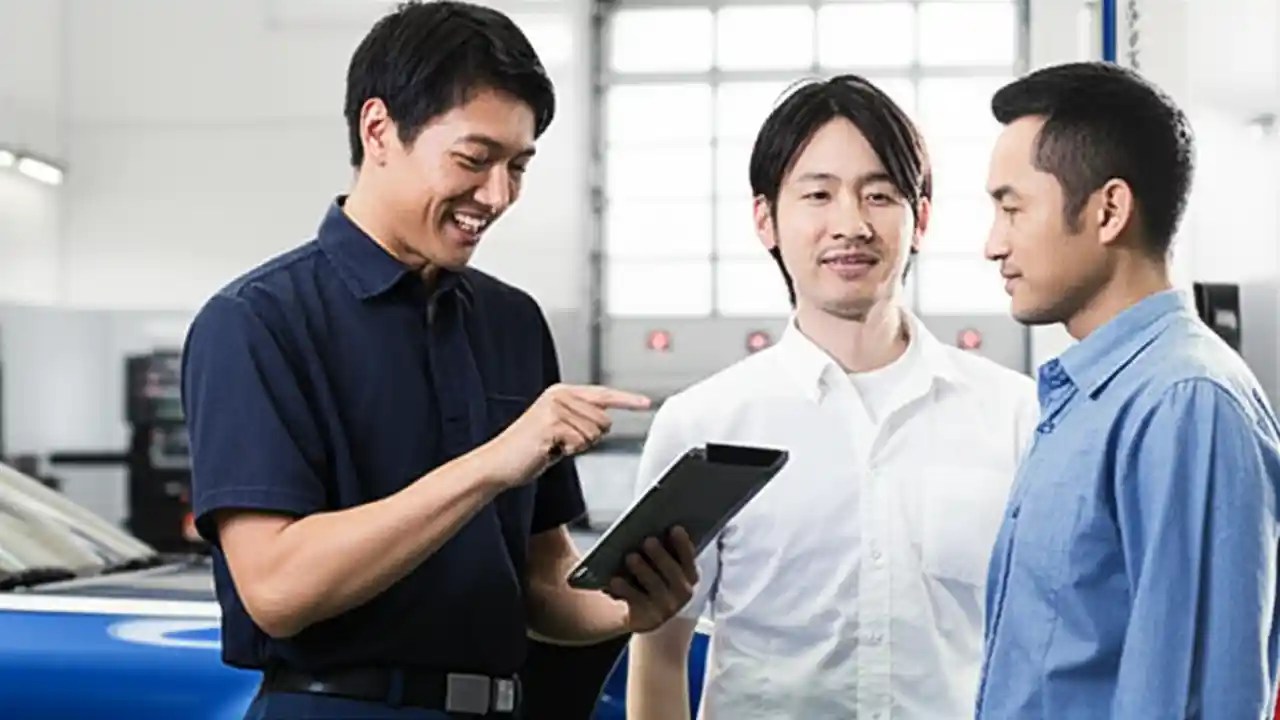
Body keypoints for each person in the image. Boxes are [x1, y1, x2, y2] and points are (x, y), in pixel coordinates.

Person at [180, 3, 698, 718]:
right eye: (473, 158)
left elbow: (540, 586)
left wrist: (628, 608)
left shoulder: (513, 322)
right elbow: (277, 590)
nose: (498, 195)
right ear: (379, 130)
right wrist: (494, 462)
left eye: (518, 166)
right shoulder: (257, 322)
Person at [624, 75, 1040, 720]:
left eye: (880, 195)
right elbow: (661, 647)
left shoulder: (1014, 414)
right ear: (766, 219)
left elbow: (1041, 637)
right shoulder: (704, 424)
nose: (850, 224)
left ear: (921, 218)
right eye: (818, 195)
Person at [977, 61, 1280, 718]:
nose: (992, 244)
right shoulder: (1091, 398)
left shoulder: (1185, 402)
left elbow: (1202, 697)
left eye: (1011, 208)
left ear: (1108, 209)